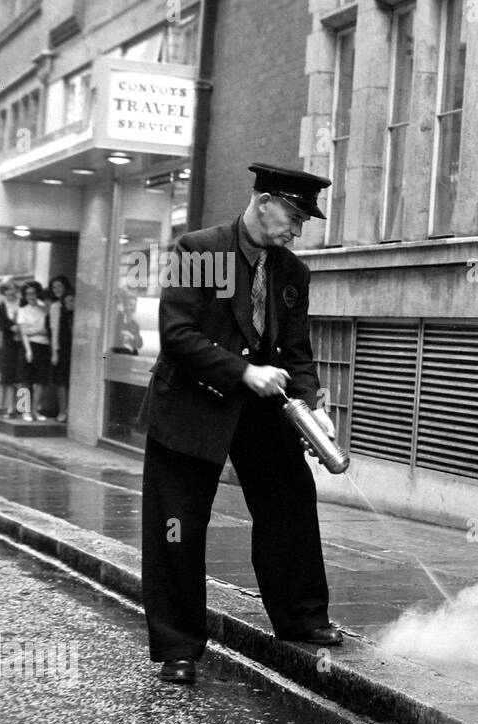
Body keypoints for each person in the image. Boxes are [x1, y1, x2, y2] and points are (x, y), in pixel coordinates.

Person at [138, 162, 342, 685]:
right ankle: (178, 646)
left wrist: (312, 405)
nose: (297, 230)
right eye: (294, 215)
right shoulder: (201, 252)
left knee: (290, 499)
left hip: (261, 405)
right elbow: (178, 335)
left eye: (303, 221)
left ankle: (301, 618)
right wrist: (244, 371)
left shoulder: (291, 272)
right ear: (264, 200)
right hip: (191, 404)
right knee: (178, 525)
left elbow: (297, 352)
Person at [15, 280, 51, 421]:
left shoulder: (43, 309)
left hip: (44, 346)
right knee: (25, 379)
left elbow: (47, 331)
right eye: (28, 293)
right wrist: (28, 350)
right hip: (28, 346)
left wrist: (34, 331)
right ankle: (24, 411)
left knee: (41, 380)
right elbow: (24, 332)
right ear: (25, 295)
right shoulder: (22, 310)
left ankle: (35, 410)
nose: (31, 296)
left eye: (34, 293)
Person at [48, 275, 74, 423]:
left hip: (73, 348)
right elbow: (54, 329)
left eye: (59, 286)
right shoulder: (54, 307)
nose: (57, 289)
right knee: (61, 381)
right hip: (60, 348)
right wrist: (54, 351)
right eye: (54, 287)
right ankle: (62, 411)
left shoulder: (71, 305)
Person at [0, 277, 19, 416]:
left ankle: (23, 407)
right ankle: (11, 406)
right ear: (4, 291)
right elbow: (3, 325)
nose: (11, 291)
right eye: (7, 289)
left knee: (23, 377)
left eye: (13, 288)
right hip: (9, 345)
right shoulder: (1, 307)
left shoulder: (22, 303)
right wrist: (13, 326)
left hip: (23, 343)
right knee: (9, 377)